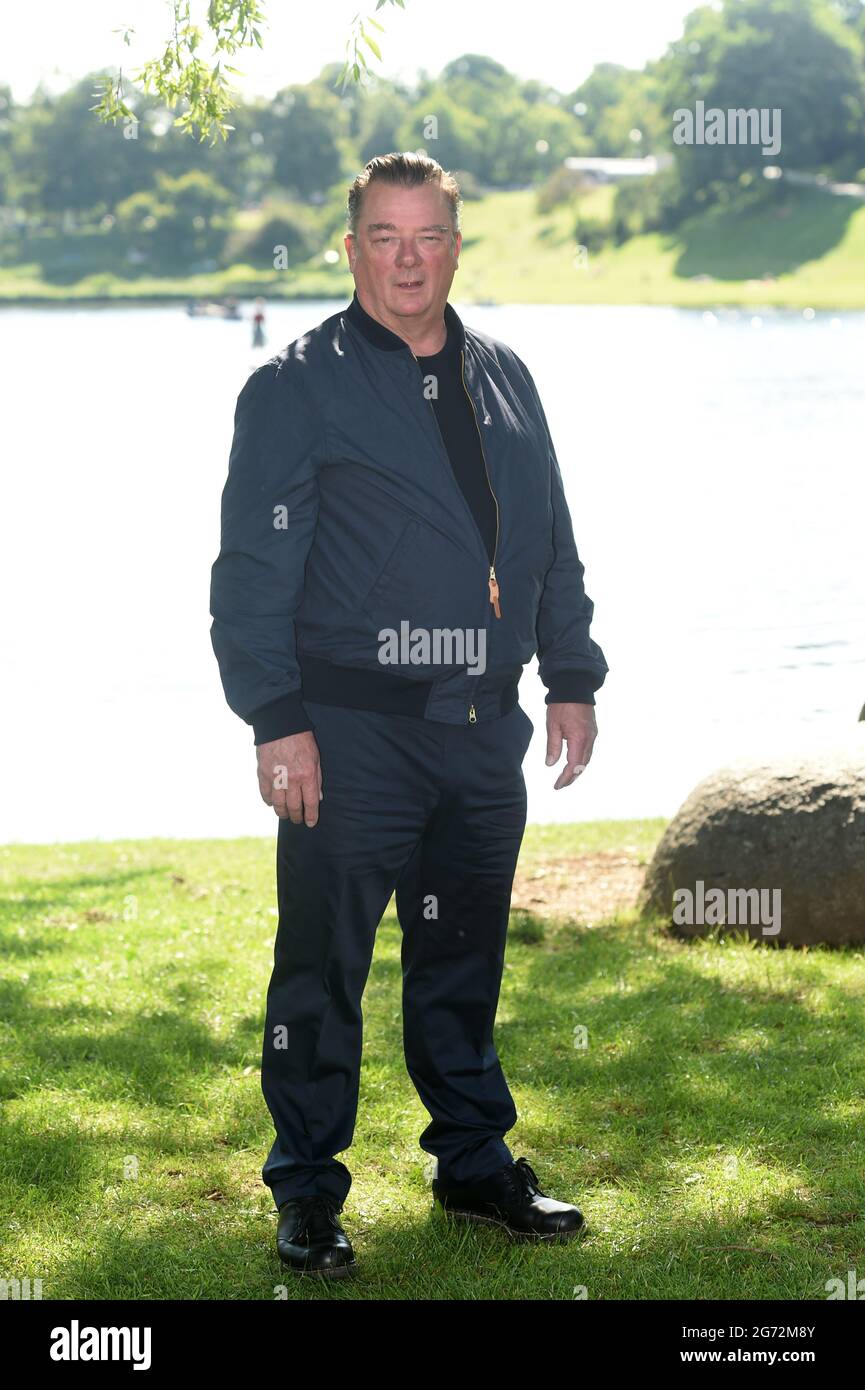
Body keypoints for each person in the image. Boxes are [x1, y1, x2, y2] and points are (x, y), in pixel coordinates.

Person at [210, 152, 608, 1279]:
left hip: (483, 732)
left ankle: (475, 1164)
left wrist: (570, 676)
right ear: (349, 249)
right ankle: (306, 1191)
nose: (407, 259)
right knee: (320, 970)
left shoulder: (508, 376)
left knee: (462, 962)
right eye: (383, 237)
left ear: (455, 246)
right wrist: (274, 717)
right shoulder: (295, 385)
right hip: (350, 734)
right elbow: (249, 571)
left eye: (427, 236)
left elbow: (551, 537)